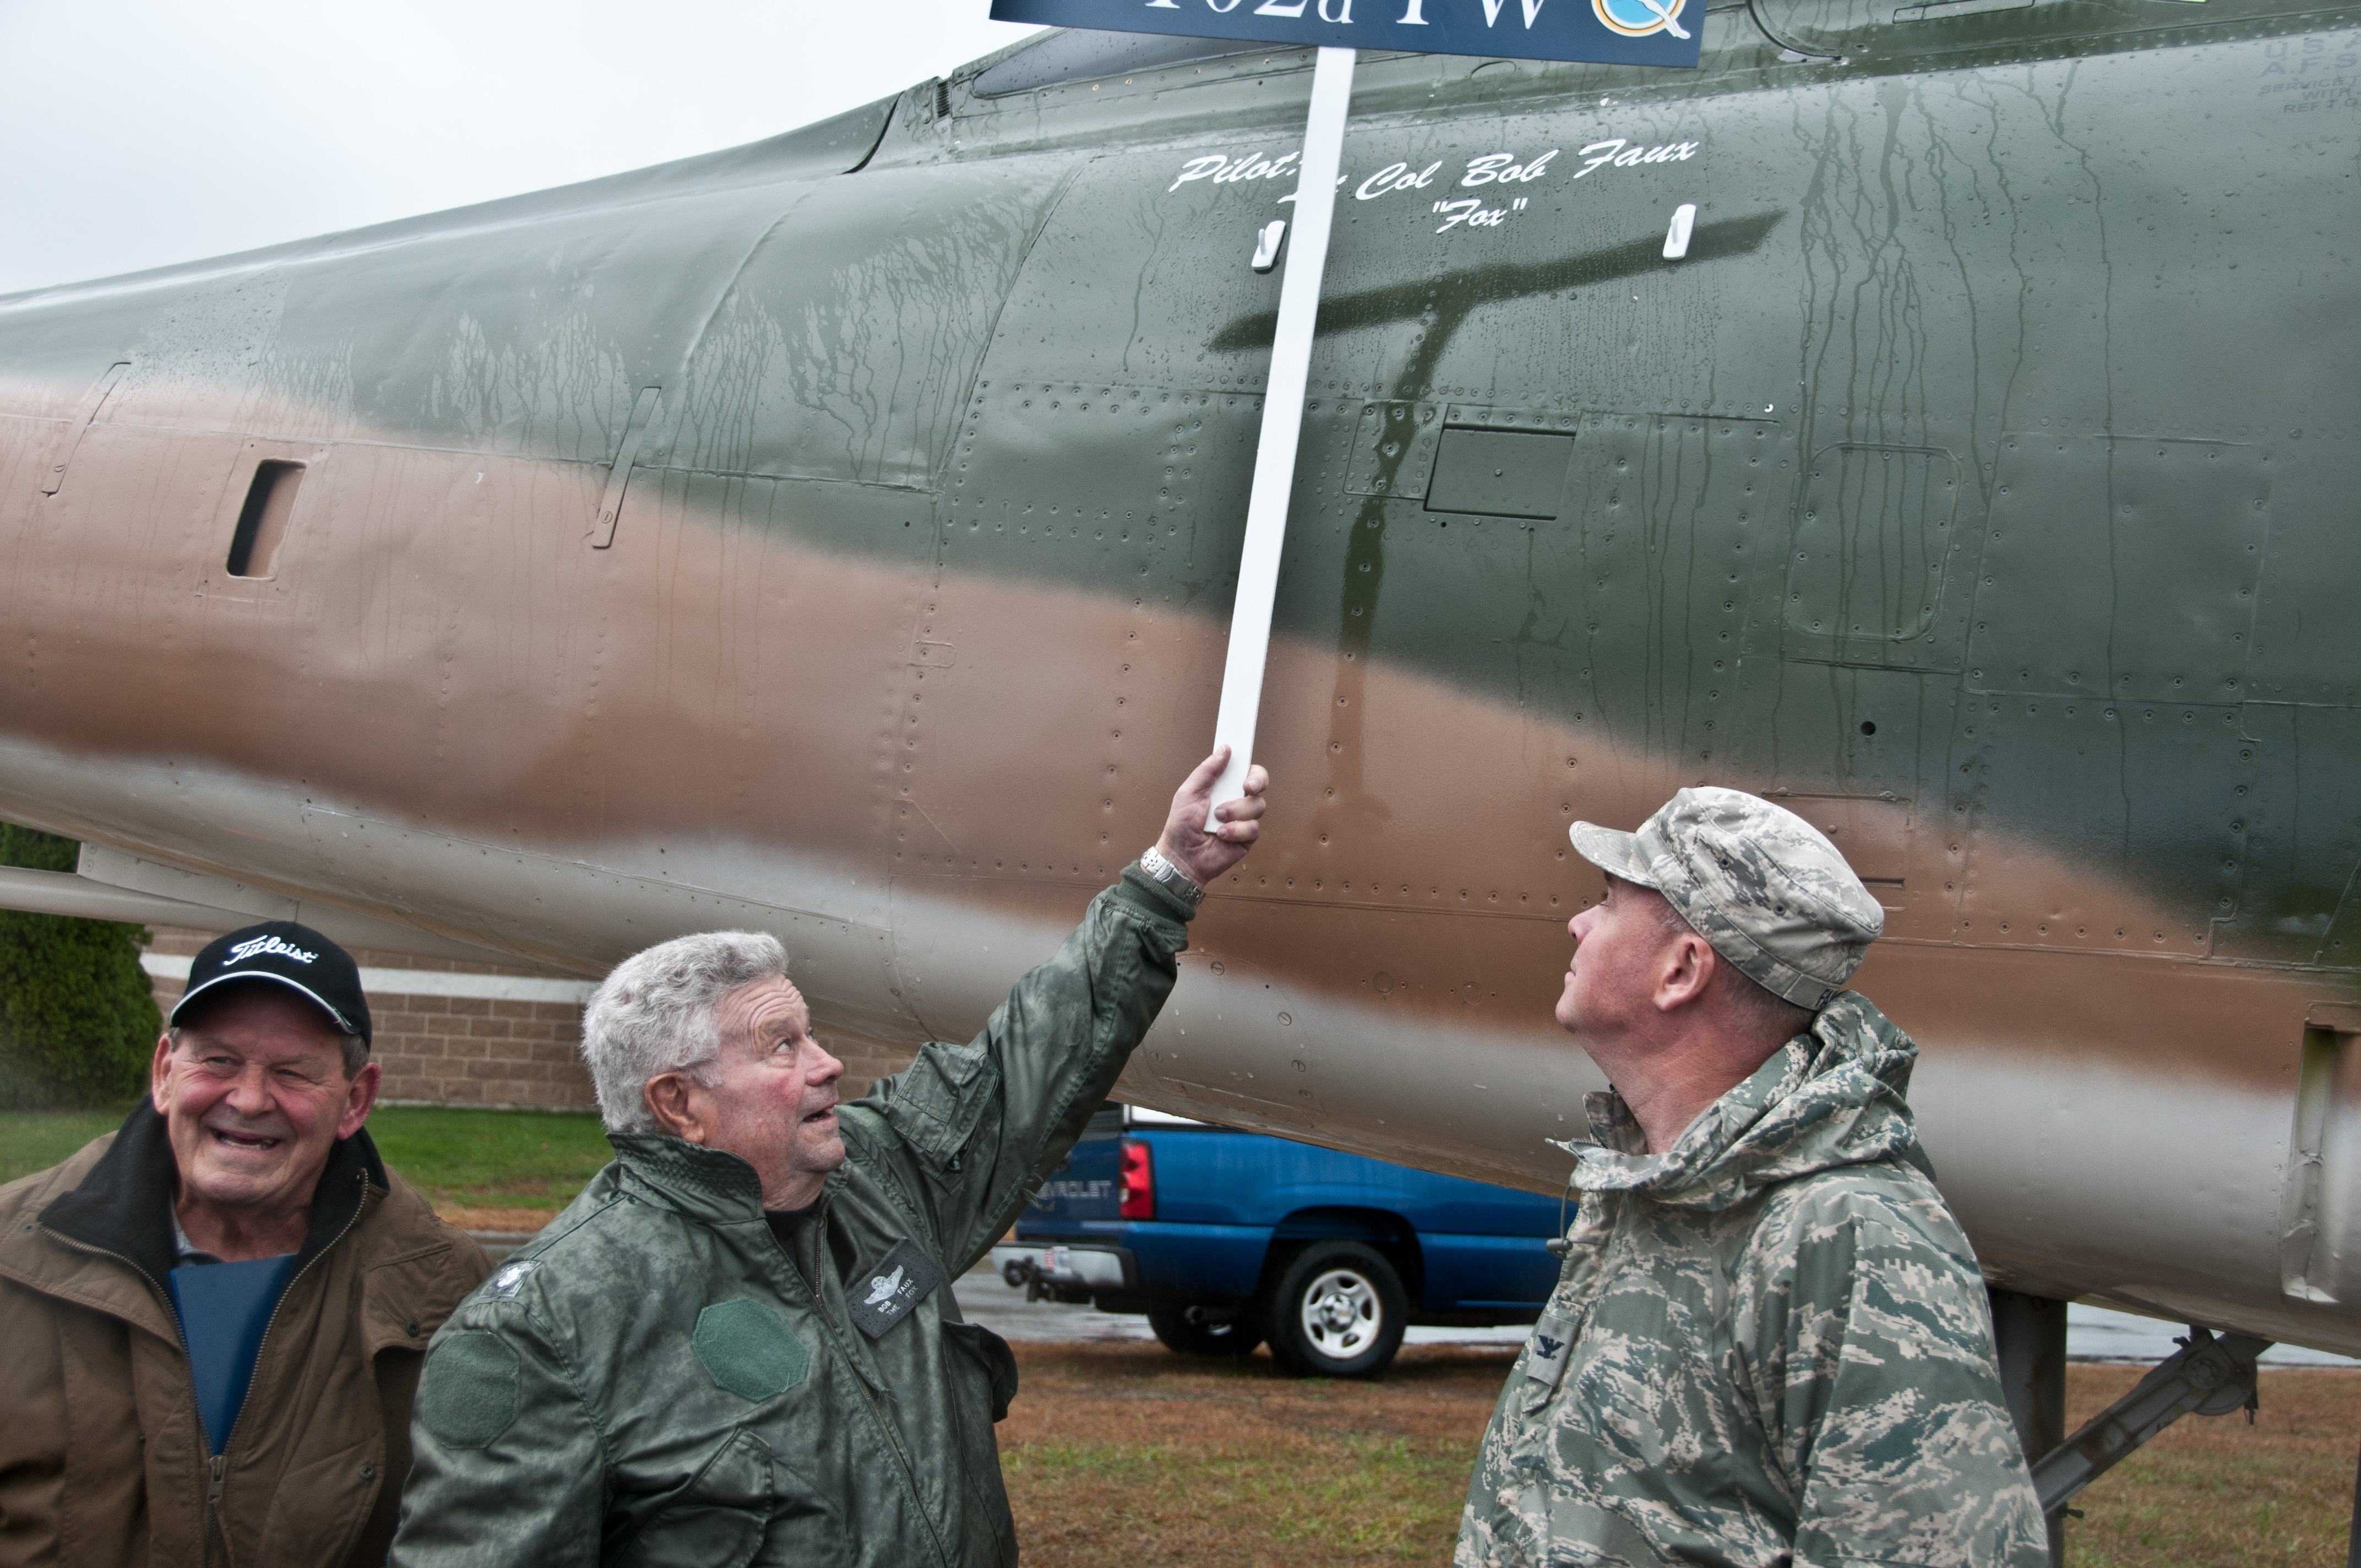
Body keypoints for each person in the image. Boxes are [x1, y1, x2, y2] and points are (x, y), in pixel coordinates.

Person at [389, 746, 1268, 1567]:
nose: (828, 1066)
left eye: (812, 1035)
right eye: (781, 1046)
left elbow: (1027, 1061)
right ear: (678, 1105)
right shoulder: (546, 1329)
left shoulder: (881, 1180)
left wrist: (1166, 879)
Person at [1457, 787, 2050, 1568]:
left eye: (1607, 903)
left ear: (1681, 970)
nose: (1577, 923)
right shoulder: (1666, 1184)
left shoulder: (1850, 1238)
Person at [0, 921, 491, 1567]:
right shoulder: (15, 1249)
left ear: (356, 1100)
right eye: (219, 1060)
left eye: (292, 1072)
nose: (250, 1099)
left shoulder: (446, 1289)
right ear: (165, 1072)